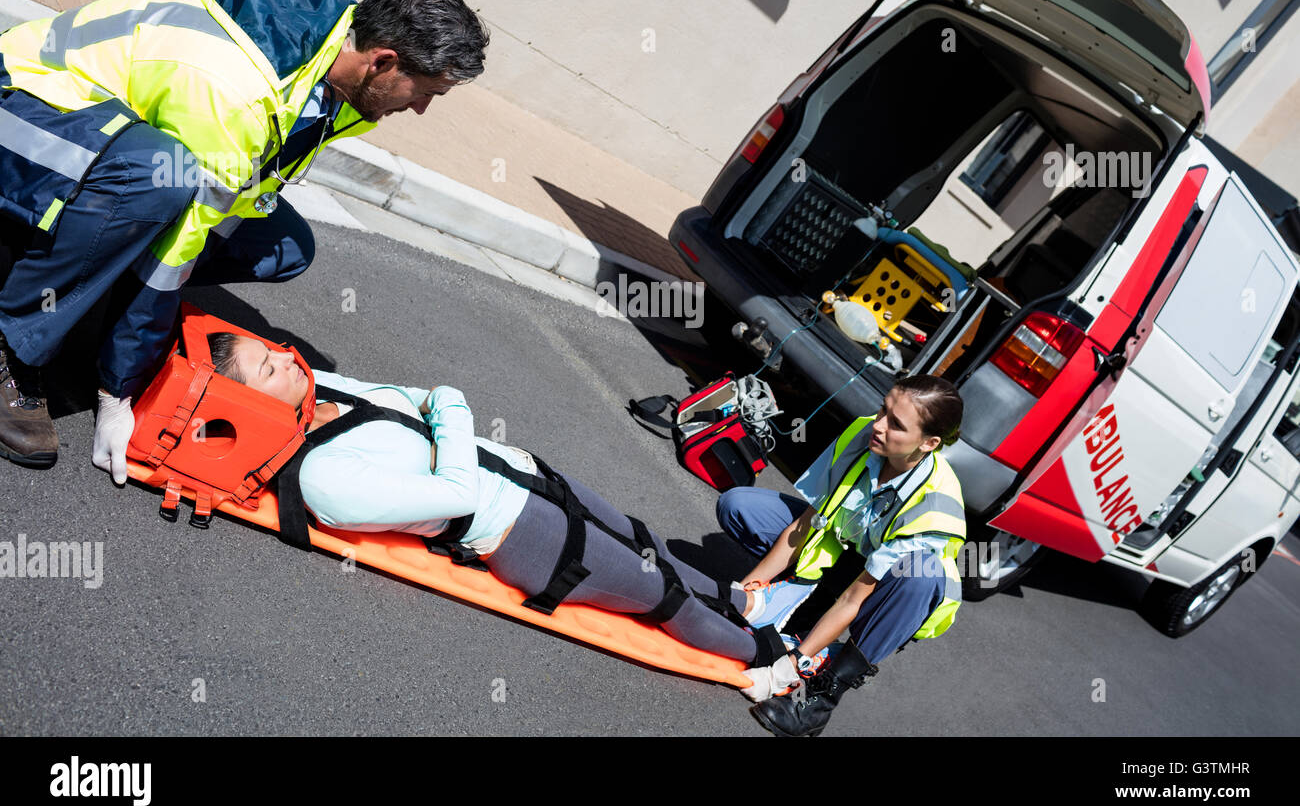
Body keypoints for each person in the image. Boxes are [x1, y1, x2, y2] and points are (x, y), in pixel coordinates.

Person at [0, 0, 489, 475]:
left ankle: (84, 277)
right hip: (23, 111)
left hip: (96, 141)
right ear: (383, 61)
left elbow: (235, 191)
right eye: (424, 92)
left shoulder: (334, 66)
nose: (420, 110)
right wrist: (121, 390)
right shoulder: (241, 88)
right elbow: (179, 245)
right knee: (159, 181)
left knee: (282, 245)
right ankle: (16, 342)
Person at [205, 331, 771, 666]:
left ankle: (740, 600)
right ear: (252, 405)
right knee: (665, 598)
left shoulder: (319, 389)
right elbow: (456, 491)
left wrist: (443, 410)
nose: (286, 355)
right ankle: (774, 661)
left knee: (643, 541)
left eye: (273, 350)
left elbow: (414, 398)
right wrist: (450, 407)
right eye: (268, 367)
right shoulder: (322, 476)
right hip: (524, 536)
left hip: (530, 474)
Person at [717, 375, 966, 736]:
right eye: (883, 409)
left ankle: (821, 695)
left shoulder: (934, 506)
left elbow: (856, 595)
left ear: (928, 443)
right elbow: (805, 525)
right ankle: (804, 608)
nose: (878, 424)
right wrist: (748, 590)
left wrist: (791, 666)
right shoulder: (863, 435)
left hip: (894, 593)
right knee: (739, 505)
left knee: (920, 572)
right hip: (851, 555)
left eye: (896, 424)